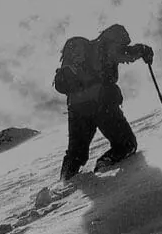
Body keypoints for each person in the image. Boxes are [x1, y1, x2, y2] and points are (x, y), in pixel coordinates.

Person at [53, 24, 155, 182]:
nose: (124, 45)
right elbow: (124, 53)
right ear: (117, 37)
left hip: (76, 109)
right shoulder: (105, 46)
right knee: (126, 144)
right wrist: (142, 50)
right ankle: (104, 164)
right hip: (101, 104)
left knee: (76, 154)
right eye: (123, 41)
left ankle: (63, 182)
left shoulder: (85, 53)